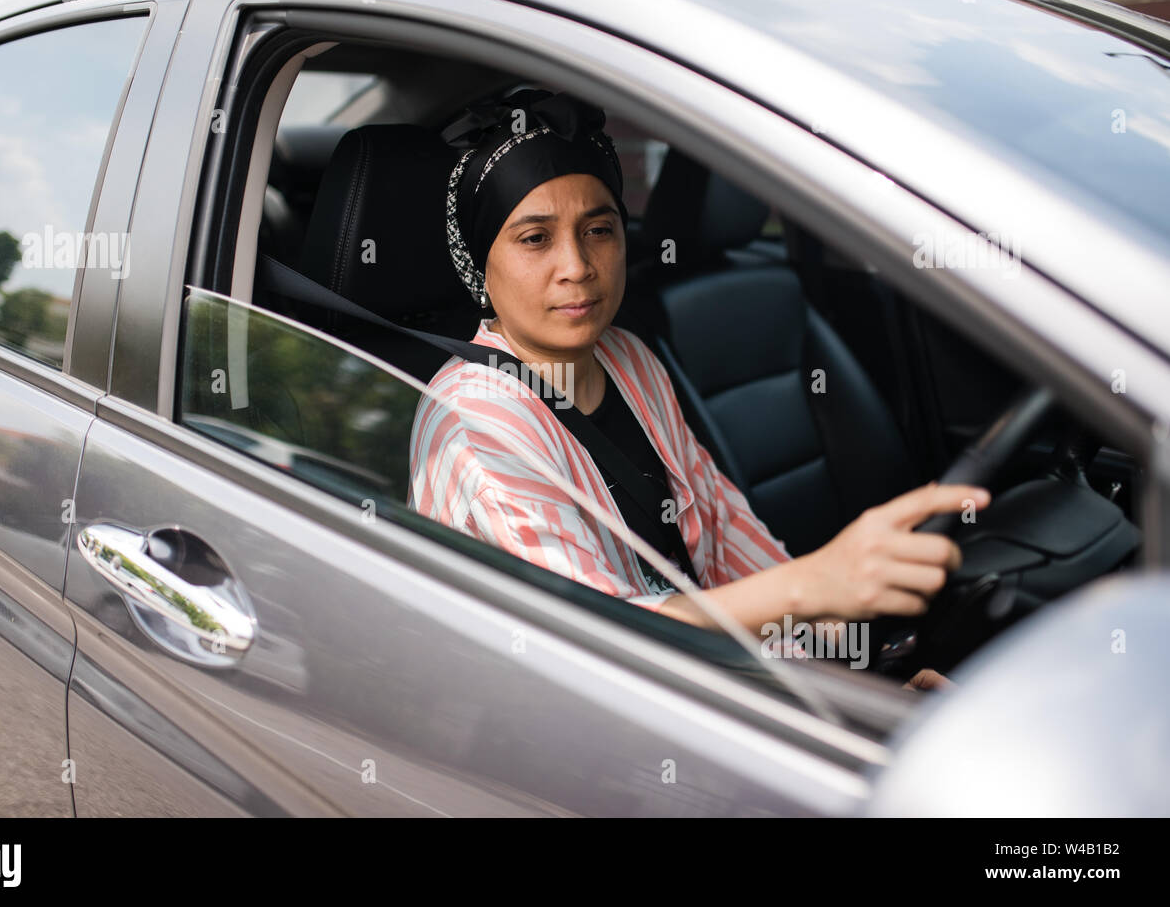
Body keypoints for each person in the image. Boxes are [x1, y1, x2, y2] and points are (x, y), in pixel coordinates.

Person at [408, 89, 985, 683]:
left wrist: (854, 670)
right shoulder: (476, 421)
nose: (577, 265)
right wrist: (810, 587)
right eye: (535, 239)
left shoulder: (628, 359)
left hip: (706, 683)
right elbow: (599, 641)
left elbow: (724, 531)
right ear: (480, 263)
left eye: (598, 230)